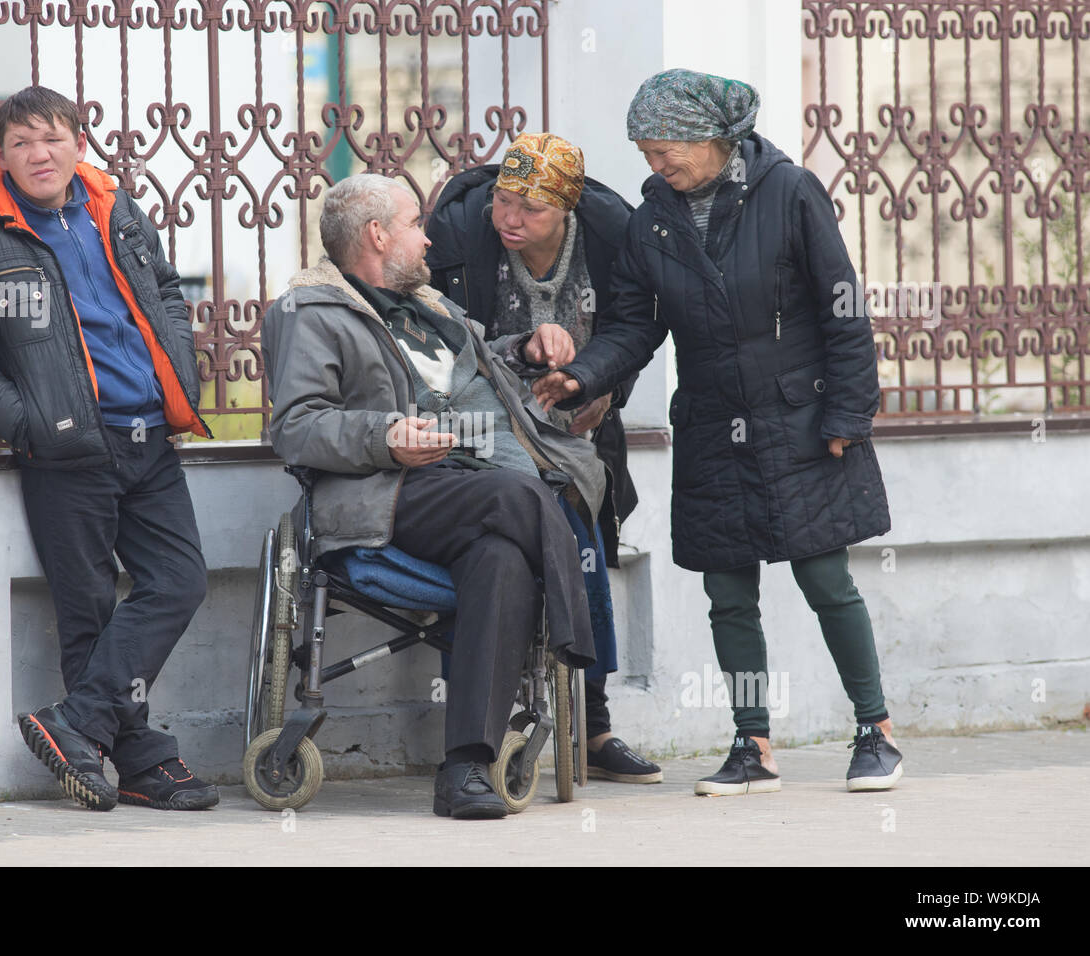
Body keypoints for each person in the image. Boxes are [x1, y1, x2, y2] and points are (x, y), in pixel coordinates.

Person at [535, 69, 903, 795]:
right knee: (728, 593)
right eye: (645, 152)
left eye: (665, 149)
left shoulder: (790, 193)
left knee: (826, 580)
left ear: (712, 138)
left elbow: (844, 308)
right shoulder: (654, 220)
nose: (655, 164)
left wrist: (849, 415)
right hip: (711, 426)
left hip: (801, 419)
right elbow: (634, 325)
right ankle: (751, 746)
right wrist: (585, 376)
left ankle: (875, 732)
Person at [261, 173, 604, 819]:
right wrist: (385, 436)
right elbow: (297, 426)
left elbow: (471, 369)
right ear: (377, 234)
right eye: (417, 222)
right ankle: (573, 633)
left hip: (473, 490)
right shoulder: (309, 314)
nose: (431, 236)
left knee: (503, 559)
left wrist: (525, 350)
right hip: (386, 494)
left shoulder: (435, 310)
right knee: (528, 498)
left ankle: (465, 771)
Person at [0, 86, 218, 811]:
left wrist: (181, 371)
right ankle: (141, 760)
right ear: (1, 155)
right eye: (20, 144)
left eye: (50, 138)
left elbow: (166, 293)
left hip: (149, 434)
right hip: (67, 450)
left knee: (179, 581)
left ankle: (78, 723)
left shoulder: (118, 209)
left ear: (79, 141)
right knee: (88, 612)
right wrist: (33, 423)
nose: (38, 154)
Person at [425, 133, 662, 784]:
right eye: (503, 200)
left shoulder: (611, 237)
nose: (509, 218)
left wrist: (598, 386)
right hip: (483, 427)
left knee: (586, 552)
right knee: (490, 559)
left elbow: (635, 328)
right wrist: (520, 354)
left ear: (566, 210)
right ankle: (477, 731)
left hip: (579, 424)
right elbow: (439, 338)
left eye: (530, 209)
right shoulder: (459, 233)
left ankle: (594, 726)